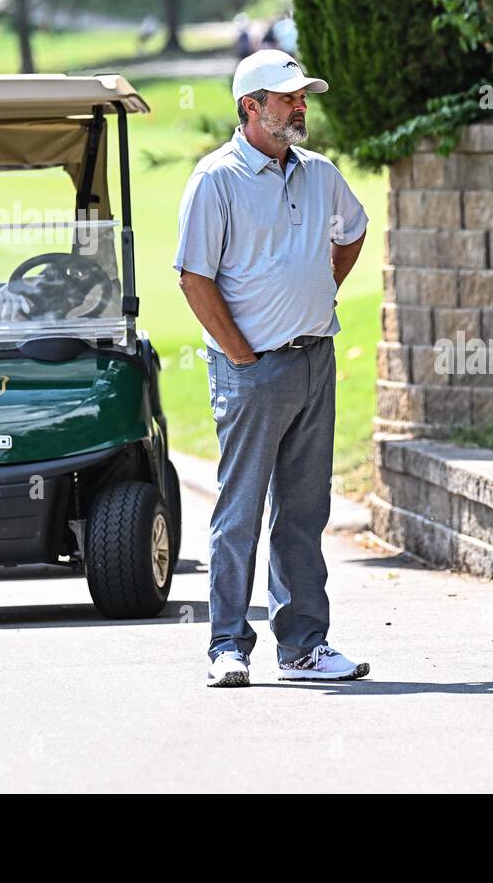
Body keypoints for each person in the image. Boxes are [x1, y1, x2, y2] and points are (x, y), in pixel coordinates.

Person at [175, 49, 370, 687]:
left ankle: (304, 647)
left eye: (301, 96)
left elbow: (352, 233)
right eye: (287, 98)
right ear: (251, 108)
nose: (299, 105)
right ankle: (227, 644)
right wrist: (240, 353)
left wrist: (319, 291)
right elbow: (194, 277)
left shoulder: (319, 173)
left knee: (305, 512)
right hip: (250, 372)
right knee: (239, 512)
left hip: (315, 359)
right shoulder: (216, 179)